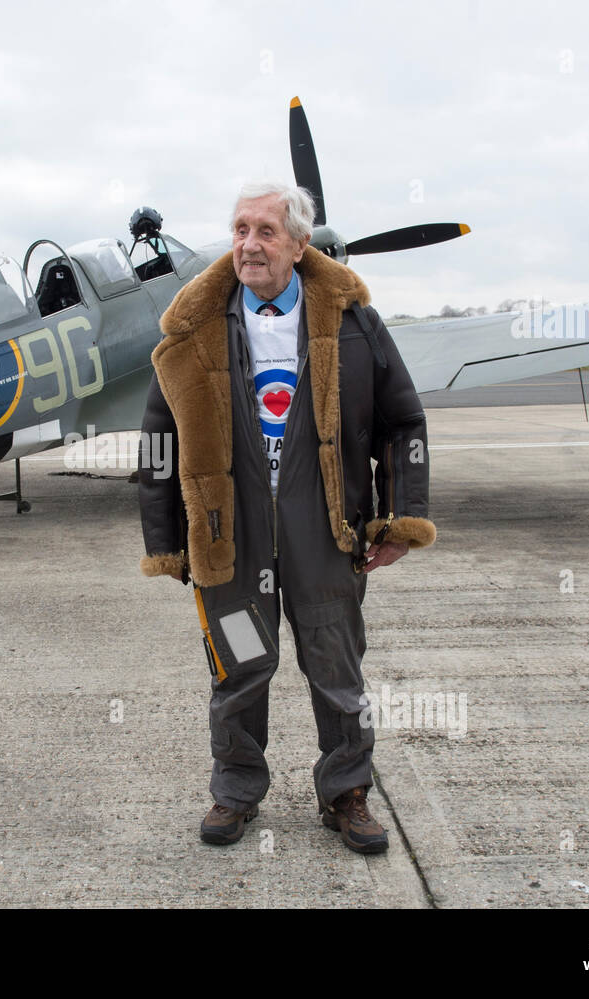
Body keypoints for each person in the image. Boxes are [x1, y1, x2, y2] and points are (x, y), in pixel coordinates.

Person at [137, 181, 436, 853]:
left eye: (266, 231)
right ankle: (236, 788)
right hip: (230, 540)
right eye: (240, 229)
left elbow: (403, 419)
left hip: (326, 531)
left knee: (336, 665)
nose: (248, 244)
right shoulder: (196, 330)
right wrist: (166, 539)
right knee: (239, 663)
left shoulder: (354, 324)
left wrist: (399, 519)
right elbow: (159, 438)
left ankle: (347, 790)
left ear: (300, 245)